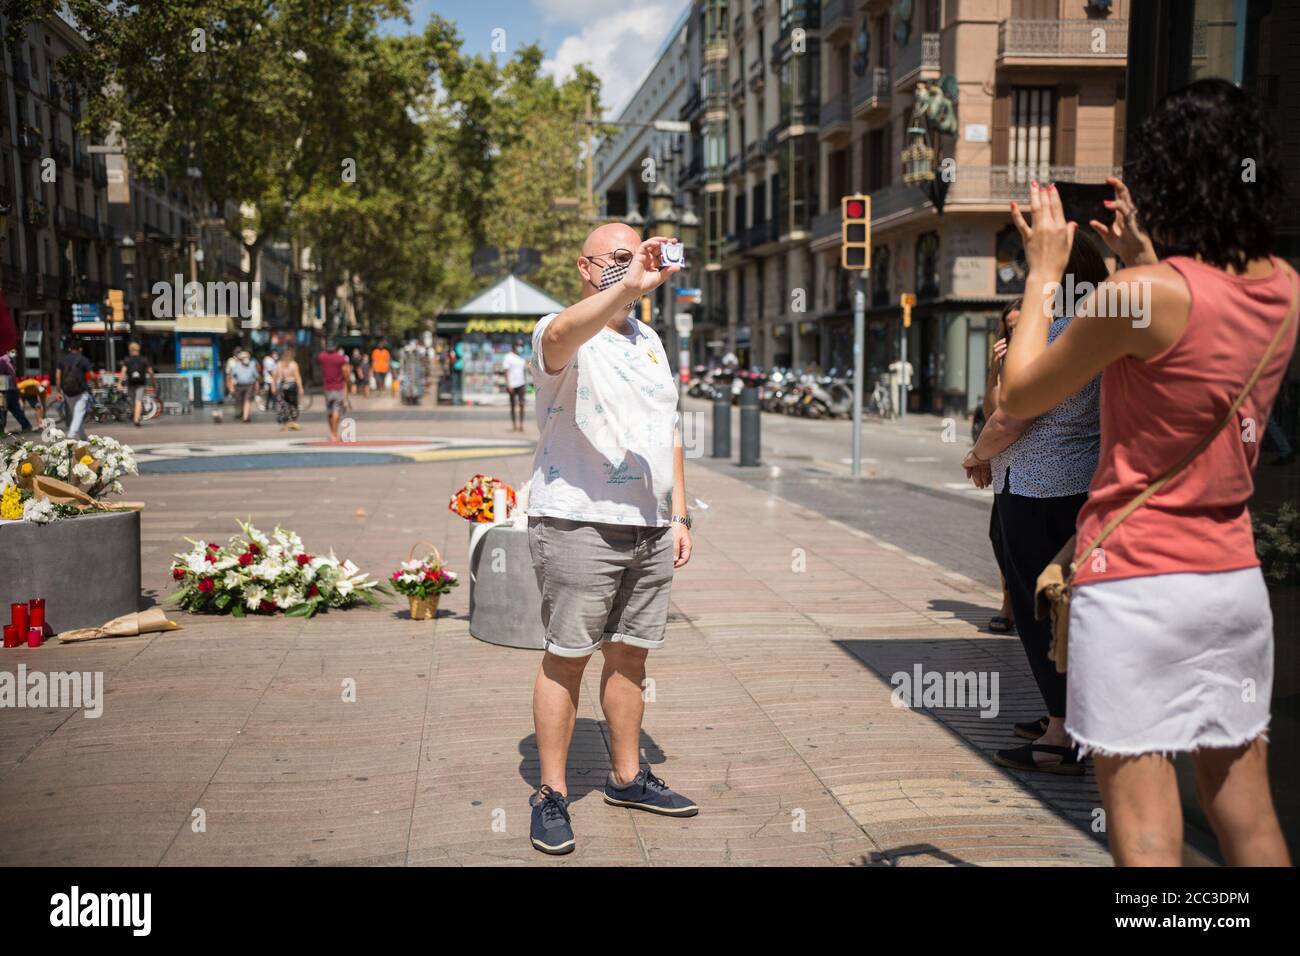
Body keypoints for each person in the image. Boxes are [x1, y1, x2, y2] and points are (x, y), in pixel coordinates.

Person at [999, 80, 1296, 866]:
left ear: (1164, 180)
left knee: (1149, 836)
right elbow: (1194, 336)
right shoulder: (1284, 290)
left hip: (1136, 588)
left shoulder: (1138, 295)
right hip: (1231, 584)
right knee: (1249, 816)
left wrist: (1043, 270)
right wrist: (1143, 257)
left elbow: (1021, 390)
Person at [525, 222, 695, 856]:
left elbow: (669, 430)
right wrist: (627, 287)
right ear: (585, 268)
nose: (632, 267)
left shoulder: (650, 338)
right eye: (618, 260)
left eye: (638, 257)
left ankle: (628, 778)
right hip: (578, 518)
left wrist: (678, 515)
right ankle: (550, 793)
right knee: (567, 656)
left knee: (631, 654)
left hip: (648, 526)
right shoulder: (559, 329)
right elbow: (568, 334)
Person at [962, 233, 1109, 775]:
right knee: (1061, 607)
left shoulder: (1056, 330)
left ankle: (1060, 732)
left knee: (1040, 609)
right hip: (1065, 484)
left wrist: (976, 454)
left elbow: (1012, 416)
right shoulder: (1099, 325)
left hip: (1039, 489)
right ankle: (1066, 715)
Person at [979, 300, 1021, 636]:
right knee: (1000, 536)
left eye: (1021, 324)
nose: (1016, 331)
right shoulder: (1005, 361)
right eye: (1010, 326)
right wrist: (996, 368)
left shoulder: (1048, 352)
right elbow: (991, 410)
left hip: (1043, 468)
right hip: (1008, 463)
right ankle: (1009, 603)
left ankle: (1026, 606)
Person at [55, 341, 93, 440]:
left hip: (67, 392)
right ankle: (71, 436)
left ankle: (83, 438)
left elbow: (58, 376)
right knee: (78, 414)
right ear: (80, 349)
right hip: (80, 392)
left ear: (69, 349)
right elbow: (92, 375)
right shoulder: (83, 360)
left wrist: (58, 391)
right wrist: (97, 384)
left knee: (76, 414)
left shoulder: (62, 360)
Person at [316, 341, 351, 442]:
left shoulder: (322, 356)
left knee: (329, 411)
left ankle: (332, 433)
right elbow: (345, 372)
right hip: (338, 387)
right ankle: (334, 434)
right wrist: (348, 383)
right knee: (336, 410)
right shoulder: (340, 358)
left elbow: (318, 361)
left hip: (327, 388)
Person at [117, 342, 154, 427]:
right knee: (138, 401)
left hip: (130, 383)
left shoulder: (127, 360)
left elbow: (123, 372)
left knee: (133, 401)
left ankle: (135, 416)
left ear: (130, 350)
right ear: (138, 349)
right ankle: (136, 418)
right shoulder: (143, 359)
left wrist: (119, 383)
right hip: (140, 383)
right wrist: (153, 381)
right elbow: (150, 371)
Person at [1, 348, 33, 433]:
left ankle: (26, 425)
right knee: (3, 409)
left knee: (14, 409)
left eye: (15, 351)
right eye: (12, 351)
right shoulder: (3, 360)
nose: (14, 353)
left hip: (12, 389)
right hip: (5, 390)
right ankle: (2, 428)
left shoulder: (11, 361)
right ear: (7, 351)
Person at [273, 346, 304, 431]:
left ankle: (285, 424)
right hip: (292, 387)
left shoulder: (279, 364)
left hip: (282, 387)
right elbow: (297, 377)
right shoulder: (294, 364)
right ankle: (293, 421)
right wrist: (300, 387)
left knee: (283, 405)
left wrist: (273, 386)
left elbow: (274, 377)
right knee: (293, 405)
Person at [500, 339, 528, 432]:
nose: (520, 347)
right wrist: (508, 384)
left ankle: (521, 424)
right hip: (512, 384)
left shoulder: (522, 358)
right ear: (514, 346)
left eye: (521, 345)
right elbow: (506, 371)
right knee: (513, 405)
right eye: (518, 345)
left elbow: (524, 371)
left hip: (521, 383)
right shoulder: (508, 357)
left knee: (522, 404)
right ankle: (514, 425)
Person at [227, 349, 259, 423]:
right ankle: (241, 413)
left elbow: (256, 377)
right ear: (241, 359)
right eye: (244, 357)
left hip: (249, 385)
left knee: (247, 400)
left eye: (247, 357)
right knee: (240, 401)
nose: (246, 359)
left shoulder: (252, 365)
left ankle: (245, 417)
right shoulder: (236, 366)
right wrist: (231, 387)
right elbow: (231, 377)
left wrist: (257, 386)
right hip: (239, 386)